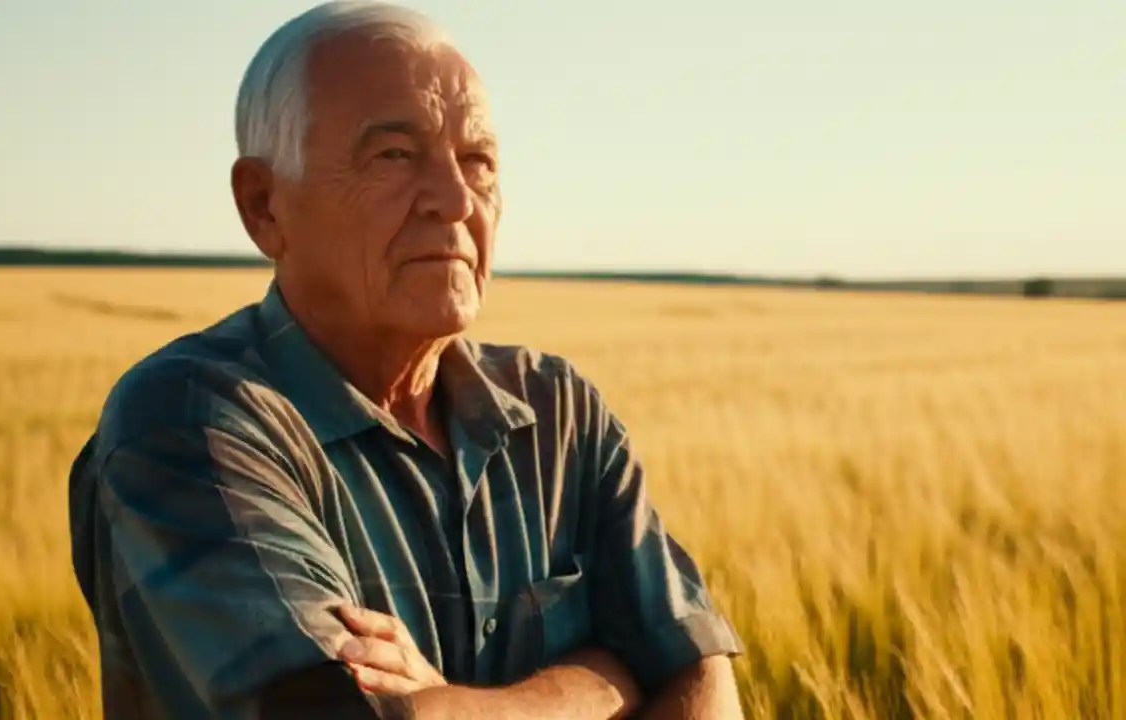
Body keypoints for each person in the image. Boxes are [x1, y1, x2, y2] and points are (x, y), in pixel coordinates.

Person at [68, 2, 744, 717]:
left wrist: (463, 706)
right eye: (392, 155)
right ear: (263, 205)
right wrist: (613, 677)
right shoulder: (194, 419)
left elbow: (702, 678)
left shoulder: (560, 412)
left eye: (478, 161)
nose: (454, 201)